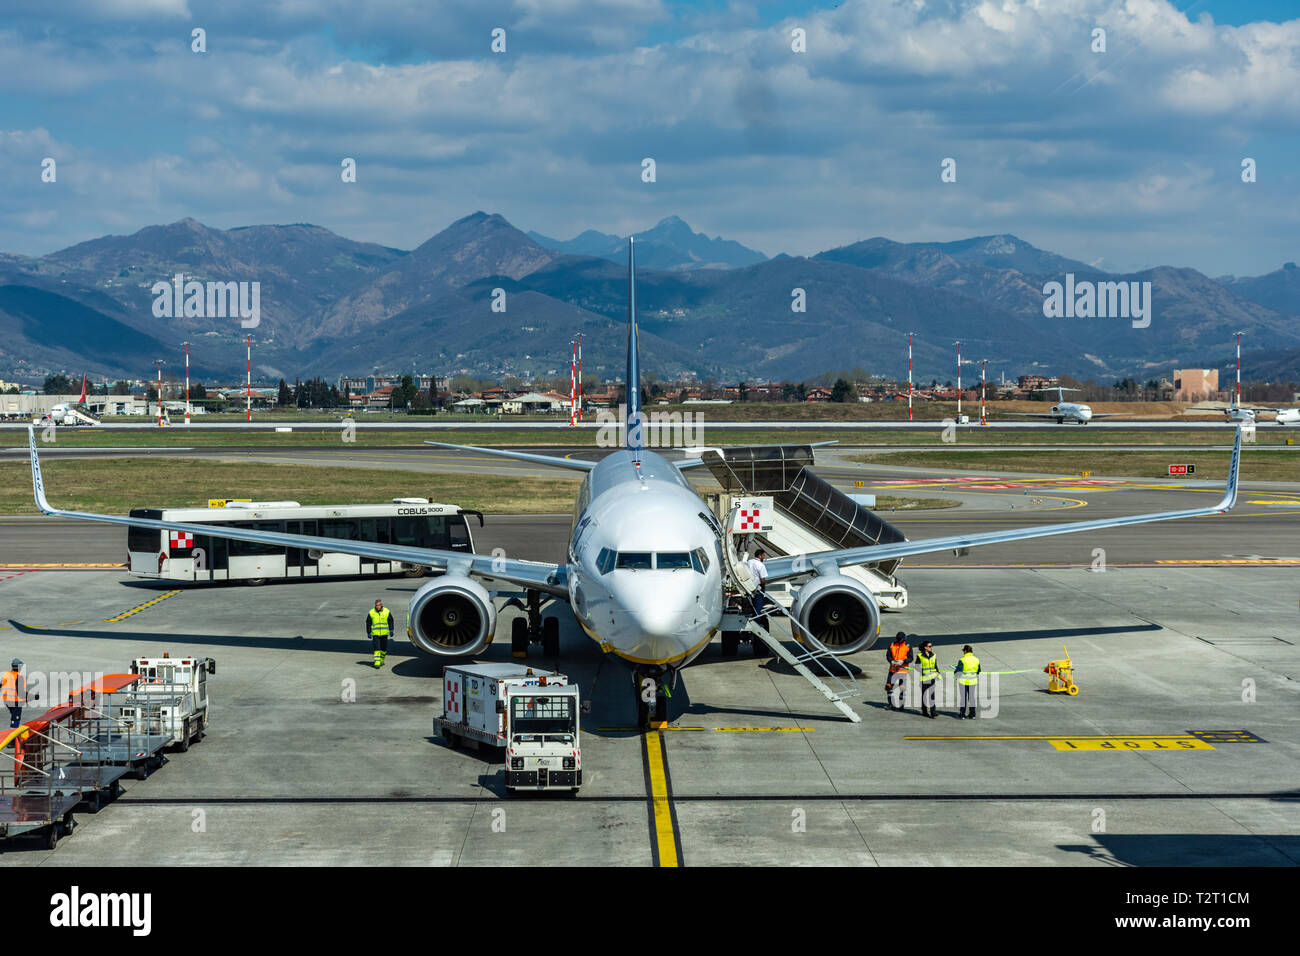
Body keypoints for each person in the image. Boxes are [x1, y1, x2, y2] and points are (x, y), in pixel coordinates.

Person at [885, 631, 912, 711]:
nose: (899, 640)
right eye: (898, 639)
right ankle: (891, 704)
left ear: (904, 639)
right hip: (892, 671)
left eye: (900, 639)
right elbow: (888, 655)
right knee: (888, 687)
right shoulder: (892, 645)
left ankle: (901, 705)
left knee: (902, 688)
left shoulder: (908, 646)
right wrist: (891, 661)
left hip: (902, 671)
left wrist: (903, 661)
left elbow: (911, 658)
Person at [954, 645, 981, 719]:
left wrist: (955, 672)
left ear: (965, 651)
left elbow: (959, 671)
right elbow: (978, 671)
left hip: (963, 681)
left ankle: (962, 714)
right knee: (972, 698)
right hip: (973, 681)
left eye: (963, 650)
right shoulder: (976, 659)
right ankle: (973, 714)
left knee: (963, 698)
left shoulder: (962, 659)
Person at [915, 640, 939, 718]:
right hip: (924, 678)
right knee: (924, 696)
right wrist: (922, 671)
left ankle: (933, 712)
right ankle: (924, 711)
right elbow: (917, 667)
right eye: (929, 646)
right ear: (925, 647)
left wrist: (937, 672)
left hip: (932, 678)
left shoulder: (934, 655)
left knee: (932, 696)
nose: (931, 647)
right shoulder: (920, 656)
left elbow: (935, 665)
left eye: (931, 646)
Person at [367, 599, 394, 668]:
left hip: (384, 633)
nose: (377, 607)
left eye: (379, 605)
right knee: (377, 648)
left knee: (383, 648)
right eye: (376, 605)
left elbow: (390, 620)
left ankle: (381, 659)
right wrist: (369, 632)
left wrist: (391, 629)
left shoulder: (386, 611)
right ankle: (377, 661)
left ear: (381, 605)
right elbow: (368, 622)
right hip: (376, 634)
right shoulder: (371, 612)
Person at [2, 659, 26, 728]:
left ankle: (12, 734)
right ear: (19, 667)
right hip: (15, 702)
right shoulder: (19, 677)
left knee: (14, 718)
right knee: (15, 721)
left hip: (7, 701)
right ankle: (12, 737)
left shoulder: (7, 674)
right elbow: (21, 692)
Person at [746, 549, 769, 619]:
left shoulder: (749, 562)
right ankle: (757, 622)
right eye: (763, 556)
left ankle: (752, 619)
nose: (764, 557)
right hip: (758, 588)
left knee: (752, 607)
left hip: (748, 587)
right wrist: (763, 587)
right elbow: (762, 580)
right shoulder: (761, 565)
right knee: (758, 608)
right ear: (759, 556)